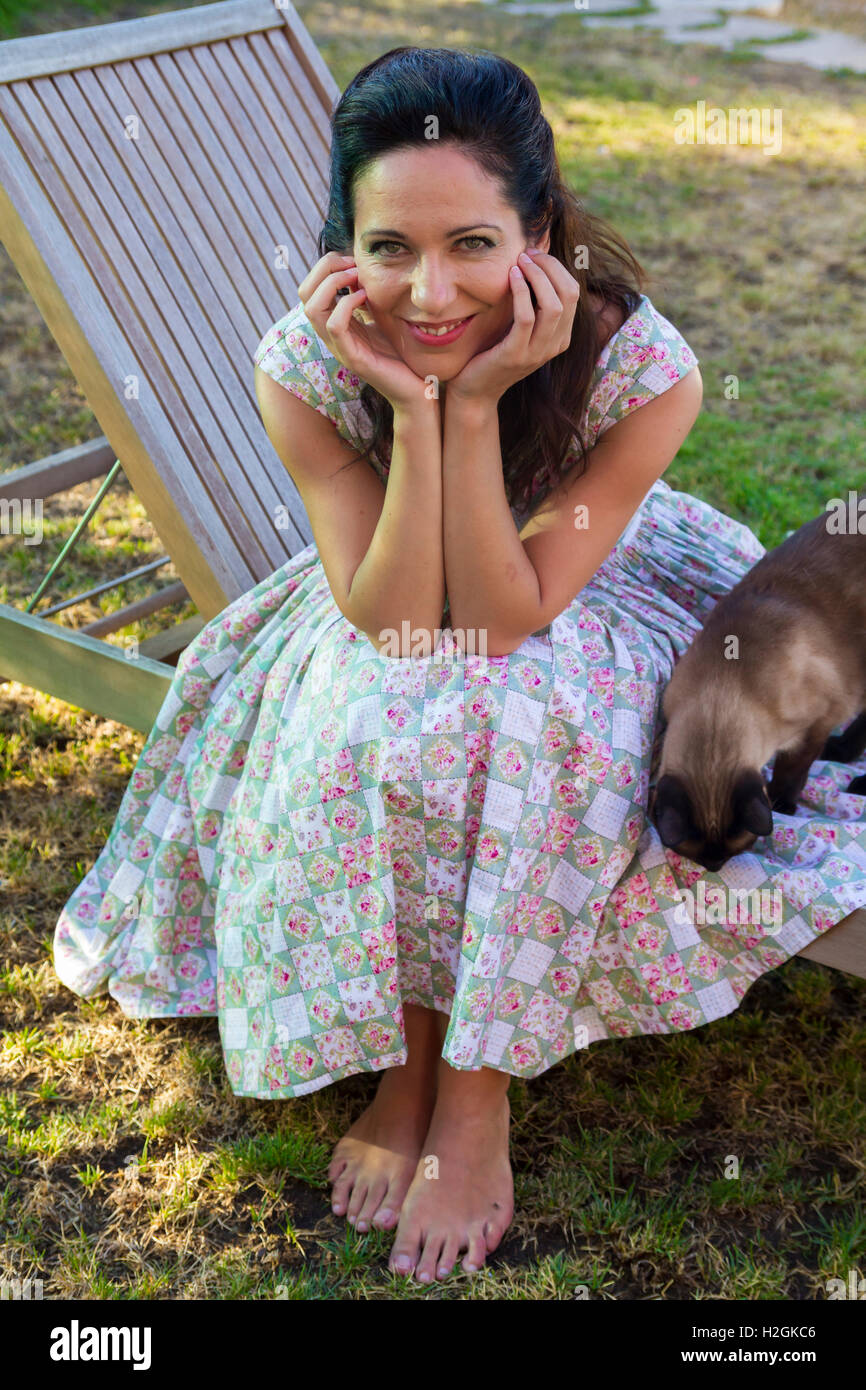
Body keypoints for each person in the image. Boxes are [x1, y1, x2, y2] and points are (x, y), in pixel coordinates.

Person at [53, 46, 866, 1287]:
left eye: (472, 244)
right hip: (385, 578)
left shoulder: (642, 368)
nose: (428, 293)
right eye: (389, 247)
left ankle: (470, 1090)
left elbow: (503, 615)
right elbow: (394, 618)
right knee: (391, 704)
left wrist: (476, 403)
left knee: (518, 705)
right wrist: (416, 406)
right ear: (342, 247)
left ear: (539, 235)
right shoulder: (304, 363)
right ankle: (407, 1061)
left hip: (576, 579)